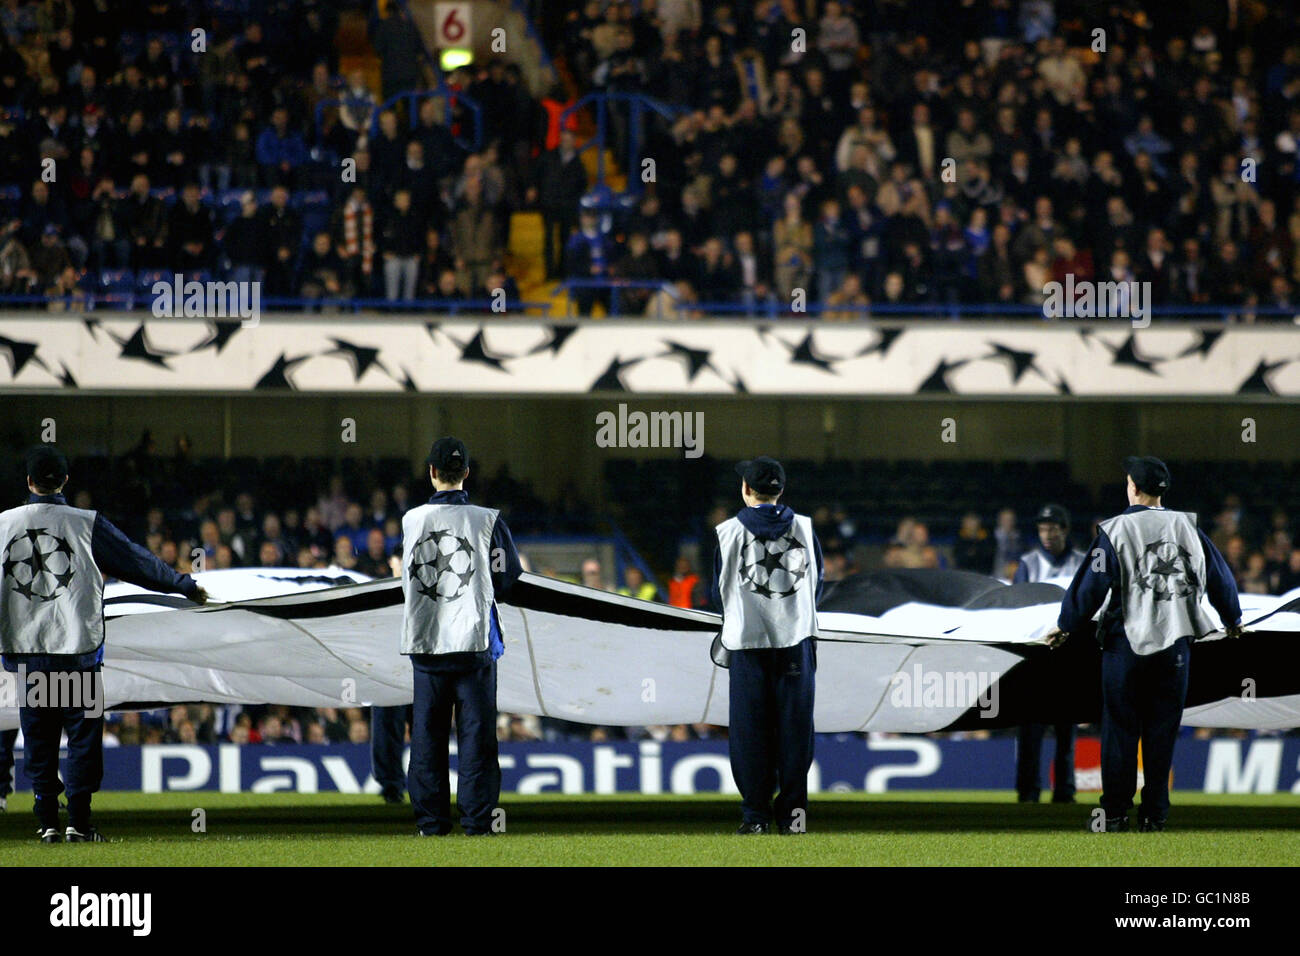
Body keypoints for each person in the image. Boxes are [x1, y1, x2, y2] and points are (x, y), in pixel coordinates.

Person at [0, 445, 207, 843]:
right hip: (78, 653)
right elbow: (138, 562)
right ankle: (78, 822)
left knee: (39, 740)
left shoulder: (4, 525)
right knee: (82, 739)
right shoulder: (85, 524)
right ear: (64, 481)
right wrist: (184, 585)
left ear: (28, 481)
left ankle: (46, 823)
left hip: (31, 656)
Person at [1047, 457, 1242, 832]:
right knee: (1161, 731)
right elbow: (1220, 577)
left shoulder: (1115, 529)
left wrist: (1065, 624)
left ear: (1133, 487)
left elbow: (1091, 586)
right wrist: (1232, 619)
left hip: (1126, 645)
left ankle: (1115, 813)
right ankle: (1155, 814)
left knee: (1120, 730)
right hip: (1176, 650)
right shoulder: (1188, 526)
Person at [402, 437, 522, 836]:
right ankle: (477, 822)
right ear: (467, 473)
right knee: (477, 739)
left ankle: (431, 823)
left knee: (426, 739)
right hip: (475, 647)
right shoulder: (488, 520)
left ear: (431, 472)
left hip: (427, 645)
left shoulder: (411, 521)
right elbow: (506, 580)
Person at [712, 457, 824, 834]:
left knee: (749, 734)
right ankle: (794, 819)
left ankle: (755, 817)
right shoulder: (806, 529)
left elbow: (718, 592)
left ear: (746, 490)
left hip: (747, 644)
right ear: (781, 491)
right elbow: (817, 583)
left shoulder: (727, 532)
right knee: (795, 734)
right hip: (795, 642)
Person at [1014, 503, 1086, 804]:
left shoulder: (1082, 561)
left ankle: (1064, 792)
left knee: (1066, 734)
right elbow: (1014, 608)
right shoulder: (1028, 563)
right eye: (1043, 529)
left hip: (1069, 657)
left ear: (1064, 530)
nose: (1047, 535)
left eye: (1052, 529)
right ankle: (1028, 792)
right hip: (1036, 657)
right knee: (1030, 733)